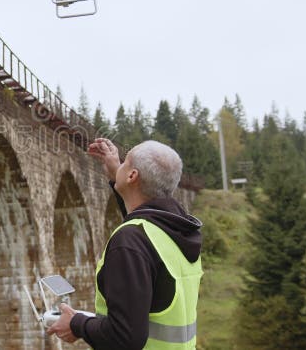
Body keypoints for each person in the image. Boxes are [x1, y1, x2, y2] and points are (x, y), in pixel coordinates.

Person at [47, 138, 203, 349]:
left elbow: (125, 337)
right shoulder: (177, 230)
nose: (119, 165)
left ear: (132, 176)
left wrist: (77, 324)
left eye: (125, 162)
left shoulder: (130, 242)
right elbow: (142, 229)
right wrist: (117, 178)